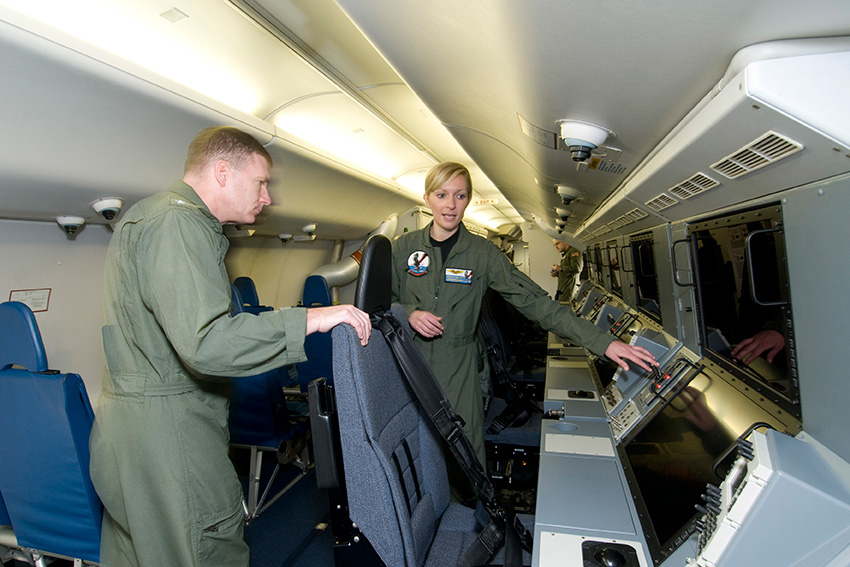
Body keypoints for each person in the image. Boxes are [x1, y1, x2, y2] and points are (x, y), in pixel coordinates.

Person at [89, 126, 371, 567]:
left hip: (129, 434)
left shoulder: (150, 214)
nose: (268, 198)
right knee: (206, 550)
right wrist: (311, 318)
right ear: (222, 172)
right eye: (261, 182)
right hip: (170, 440)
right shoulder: (180, 224)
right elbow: (207, 343)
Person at [391, 162, 657, 495]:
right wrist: (410, 312)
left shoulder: (483, 253)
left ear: (469, 200)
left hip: (459, 369)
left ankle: (475, 526)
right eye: (442, 195)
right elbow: (380, 305)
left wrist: (604, 343)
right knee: (414, 455)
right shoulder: (401, 248)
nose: (451, 204)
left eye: (460, 195)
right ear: (427, 198)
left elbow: (537, 303)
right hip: (408, 365)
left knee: (466, 459)